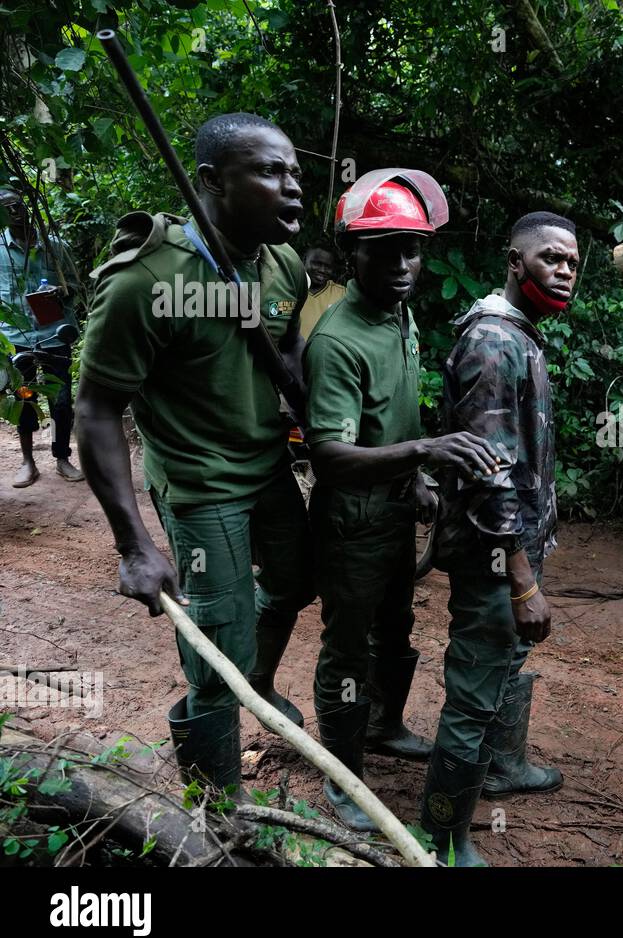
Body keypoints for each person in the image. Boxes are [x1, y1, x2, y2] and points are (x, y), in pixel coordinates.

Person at [75, 112, 315, 794]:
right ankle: (217, 805)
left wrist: (298, 383)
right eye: (271, 172)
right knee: (217, 648)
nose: (294, 186)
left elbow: (287, 344)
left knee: (297, 579)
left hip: (266, 465)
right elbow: (95, 408)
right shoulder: (144, 280)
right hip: (201, 484)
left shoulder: (281, 263)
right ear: (210, 181)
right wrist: (134, 545)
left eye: (295, 170)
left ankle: (256, 684)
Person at [303, 169, 499, 831]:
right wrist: (422, 455)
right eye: (383, 249)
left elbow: (391, 418)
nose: (402, 264)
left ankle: (384, 726)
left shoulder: (400, 313)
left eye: (411, 249)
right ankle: (341, 773)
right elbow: (327, 454)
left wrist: (414, 477)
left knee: (396, 629)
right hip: (352, 523)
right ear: (352, 253)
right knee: (348, 646)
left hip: (392, 515)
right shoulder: (337, 340)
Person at [418, 211, 575, 866]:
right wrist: (524, 581)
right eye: (550, 259)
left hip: (510, 552)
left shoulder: (519, 336)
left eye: (571, 262)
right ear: (516, 262)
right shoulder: (492, 344)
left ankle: (496, 777)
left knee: (495, 678)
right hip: (494, 559)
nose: (564, 271)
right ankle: (442, 840)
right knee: (473, 699)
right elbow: (490, 477)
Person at [1, 188, 84, 487]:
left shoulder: (55, 247)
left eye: (17, 205)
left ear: (28, 207)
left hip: (54, 333)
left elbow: (76, 285)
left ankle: (62, 457)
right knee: (24, 399)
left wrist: (62, 291)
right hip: (16, 336)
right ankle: (27, 462)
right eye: (6, 208)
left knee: (61, 400)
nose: (14, 212)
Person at [298, 245, 345, 339]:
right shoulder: (291, 289)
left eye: (328, 267)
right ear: (304, 260)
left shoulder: (342, 295)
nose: (322, 270)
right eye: (317, 264)